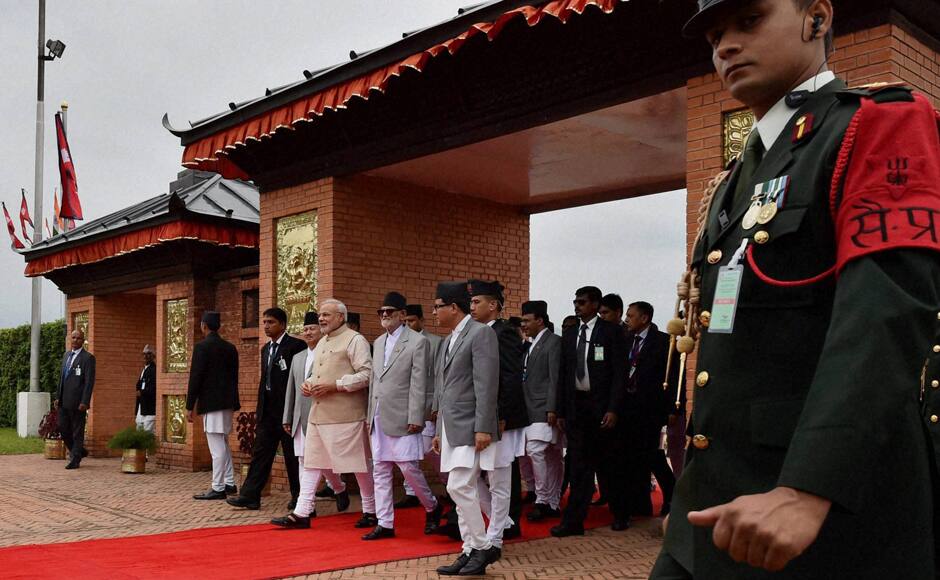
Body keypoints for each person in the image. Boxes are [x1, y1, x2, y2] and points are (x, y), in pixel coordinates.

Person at [651, 1, 940, 577]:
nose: (725, 46)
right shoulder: (735, 178)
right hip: (718, 509)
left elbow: (884, 312)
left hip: (823, 512)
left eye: (749, 20)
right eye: (714, 36)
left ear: (817, 16)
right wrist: (692, 492)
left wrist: (809, 487)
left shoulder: (876, 122)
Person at [272, 299, 376, 530]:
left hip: (346, 415)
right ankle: (302, 512)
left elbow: (367, 374)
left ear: (341, 317)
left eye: (326, 315)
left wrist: (336, 385)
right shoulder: (322, 343)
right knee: (311, 463)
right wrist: (308, 384)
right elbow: (316, 374)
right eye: (320, 315)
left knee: (358, 465)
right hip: (318, 414)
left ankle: (371, 510)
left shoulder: (355, 340)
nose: (321, 319)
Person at [431, 281, 501, 576]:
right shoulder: (448, 340)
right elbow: (444, 390)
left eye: (437, 306)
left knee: (458, 486)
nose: (433, 312)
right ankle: (469, 550)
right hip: (451, 427)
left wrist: (484, 427)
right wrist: (437, 430)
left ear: (453, 307)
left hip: (472, 425)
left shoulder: (481, 334)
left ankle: (483, 547)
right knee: (463, 490)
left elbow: (486, 384)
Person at [551, 286, 628, 536]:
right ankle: (574, 522)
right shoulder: (571, 334)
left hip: (602, 408)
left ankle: (620, 514)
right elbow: (564, 375)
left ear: (595, 304)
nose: (577, 306)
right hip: (577, 408)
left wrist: (614, 408)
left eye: (582, 302)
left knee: (609, 465)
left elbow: (619, 374)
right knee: (578, 467)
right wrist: (561, 410)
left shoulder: (612, 332)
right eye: (575, 302)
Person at [363, 292, 441, 540]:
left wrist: (417, 416)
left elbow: (419, 382)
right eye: (381, 312)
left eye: (389, 312)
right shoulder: (376, 342)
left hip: (405, 416)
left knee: (408, 467)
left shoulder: (417, 342)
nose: (384, 316)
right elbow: (375, 382)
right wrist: (368, 416)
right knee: (381, 470)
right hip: (377, 416)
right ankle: (385, 523)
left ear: (401, 315)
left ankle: (432, 506)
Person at [469, 279, 529, 545]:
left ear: (493, 305)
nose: (471, 307)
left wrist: (501, 414)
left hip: (500, 416)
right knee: (474, 474)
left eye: (476, 301)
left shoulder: (503, 333)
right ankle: (501, 521)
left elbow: (510, 376)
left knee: (500, 475)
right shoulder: (479, 332)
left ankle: (505, 524)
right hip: (483, 415)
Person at [228, 307, 305, 510]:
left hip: (287, 412)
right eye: (264, 322)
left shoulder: (296, 346)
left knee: (292, 457)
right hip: (268, 412)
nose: (266, 326)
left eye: (270, 322)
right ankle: (250, 495)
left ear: (283, 324)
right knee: (260, 454)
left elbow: (297, 380)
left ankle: (300, 498)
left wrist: (293, 411)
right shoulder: (266, 349)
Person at [282, 311, 349, 516]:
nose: (308, 332)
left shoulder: (327, 353)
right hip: (300, 417)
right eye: (305, 329)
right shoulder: (298, 357)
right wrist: (287, 417)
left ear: (321, 330)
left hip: (323, 414)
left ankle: (338, 488)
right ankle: (308, 506)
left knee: (323, 460)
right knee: (306, 460)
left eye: (312, 328)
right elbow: (291, 390)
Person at [621, 301, 676, 517]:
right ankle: (641, 503)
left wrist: (673, 409)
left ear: (644, 318)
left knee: (653, 455)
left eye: (631, 315)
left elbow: (671, 377)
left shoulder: (663, 342)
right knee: (634, 457)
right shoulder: (625, 341)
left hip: (651, 409)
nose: (627, 319)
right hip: (628, 408)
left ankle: (671, 496)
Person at [187, 311, 241, 500]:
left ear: (204, 325)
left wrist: (189, 405)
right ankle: (229, 483)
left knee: (216, 447)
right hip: (227, 402)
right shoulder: (230, 348)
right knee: (223, 443)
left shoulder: (202, 347)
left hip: (211, 402)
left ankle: (218, 487)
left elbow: (196, 378)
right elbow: (235, 377)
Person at [519, 300, 564, 522]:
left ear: (540, 320)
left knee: (540, 451)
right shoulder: (530, 344)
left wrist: (553, 408)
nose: (523, 324)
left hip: (545, 409)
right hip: (528, 410)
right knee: (546, 454)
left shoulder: (553, 342)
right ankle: (550, 501)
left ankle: (545, 499)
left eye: (527, 320)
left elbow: (555, 378)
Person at [399, 303, 446, 508]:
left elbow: (439, 378)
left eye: (412, 321)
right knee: (407, 452)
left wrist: (436, 405)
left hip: (427, 405)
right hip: (403, 406)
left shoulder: (436, 342)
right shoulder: (398, 343)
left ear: (421, 320)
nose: (408, 325)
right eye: (405, 321)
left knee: (428, 449)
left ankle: (448, 483)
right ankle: (411, 492)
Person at [56, 328, 95, 469]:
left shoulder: (88, 358)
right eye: (73, 337)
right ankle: (80, 451)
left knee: (77, 431)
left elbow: (89, 382)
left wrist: (85, 401)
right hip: (63, 400)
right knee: (62, 427)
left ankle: (75, 459)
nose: (75, 340)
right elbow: (61, 379)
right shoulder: (66, 356)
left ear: (83, 340)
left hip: (78, 402)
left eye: (78, 338)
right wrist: (57, 397)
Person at [135, 345, 157, 434]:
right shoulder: (144, 369)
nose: (145, 356)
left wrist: (142, 392)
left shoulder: (154, 370)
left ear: (153, 356)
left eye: (148, 354)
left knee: (147, 434)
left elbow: (153, 388)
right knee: (139, 431)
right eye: (144, 354)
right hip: (141, 406)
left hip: (149, 407)